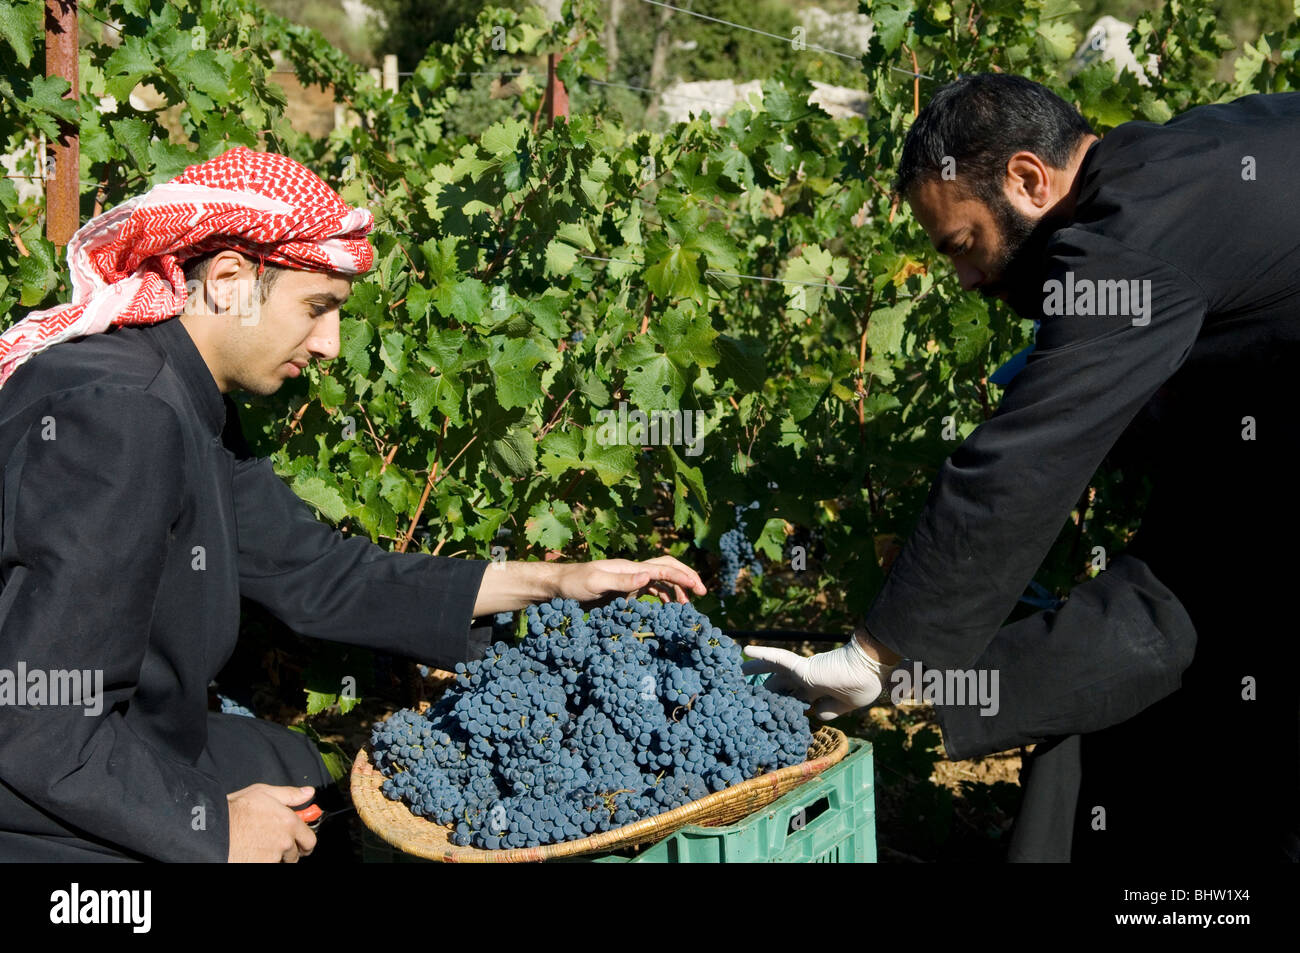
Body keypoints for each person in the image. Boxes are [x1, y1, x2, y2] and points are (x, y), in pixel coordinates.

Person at [0, 147, 705, 863]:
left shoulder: (186, 398)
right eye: (317, 308)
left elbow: (324, 574)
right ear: (230, 281)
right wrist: (211, 824)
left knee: (305, 779)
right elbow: (36, 719)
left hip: (114, 742)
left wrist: (556, 582)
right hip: (37, 800)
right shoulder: (123, 419)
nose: (332, 344)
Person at [746, 76, 1300, 862]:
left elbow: (1026, 457)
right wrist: (948, 681)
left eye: (962, 246)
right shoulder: (1178, 165)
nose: (966, 281)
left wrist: (873, 657)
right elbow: (1200, 545)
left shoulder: (1135, 233)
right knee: (1100, 672)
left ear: (1029, 180)